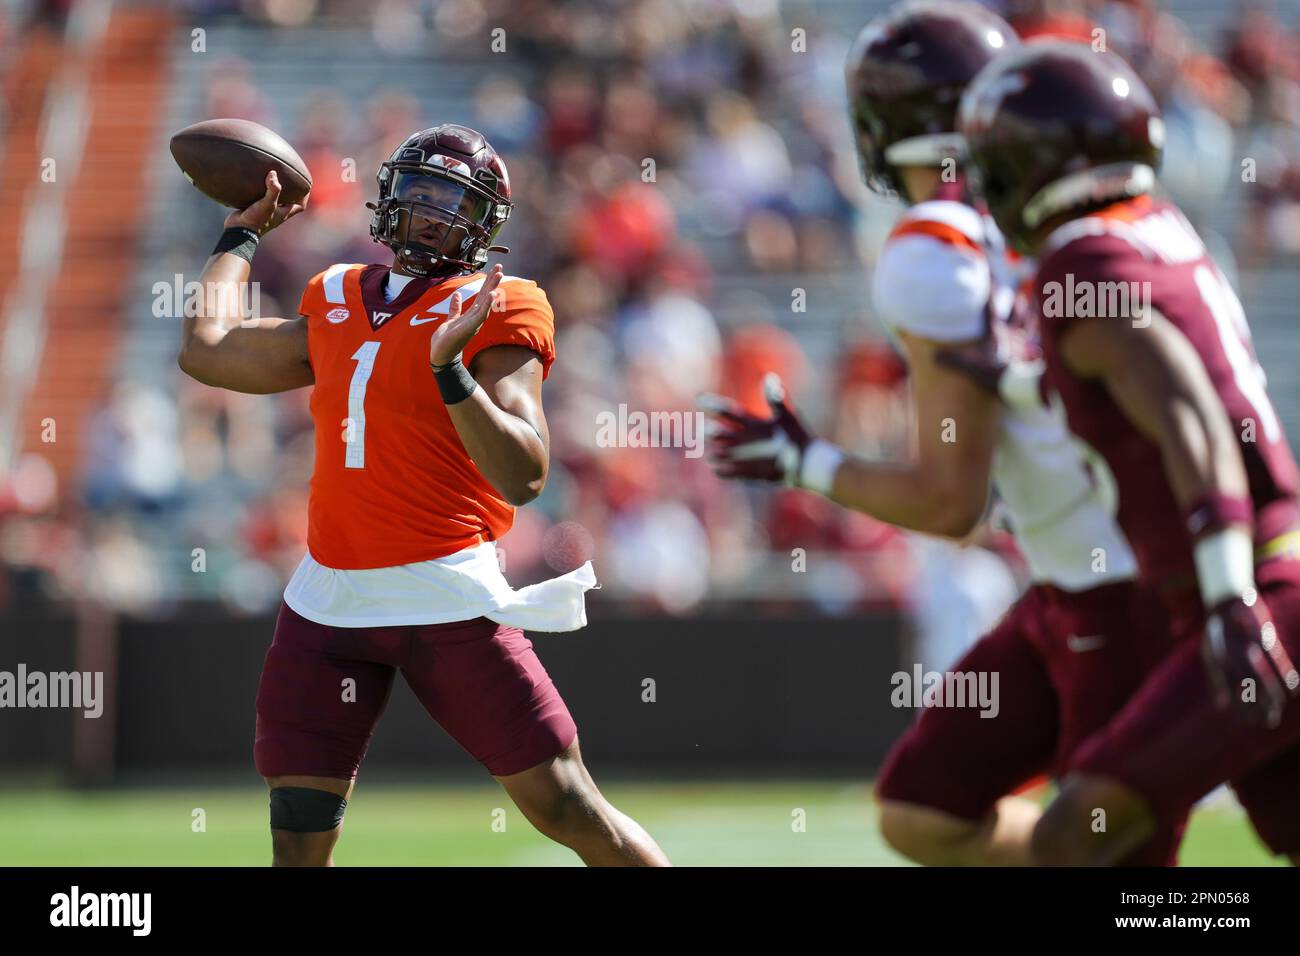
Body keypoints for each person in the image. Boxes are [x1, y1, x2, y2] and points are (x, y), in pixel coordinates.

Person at [702, 1, 1178, 865]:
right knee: (923, 808)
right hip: (1084, 567)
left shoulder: (931, 250)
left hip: (1122, 587)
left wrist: (808, 463)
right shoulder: (1051, 215)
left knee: (1119, 871)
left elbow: (951, 501)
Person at [177, 123, 668, 866]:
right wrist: (239, 238)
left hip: (443, 595)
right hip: (327, 604)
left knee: (568, 806)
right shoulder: (337, 292)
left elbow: (524, 473)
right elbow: (207, 351)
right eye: (419, 190)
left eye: (450, 198)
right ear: (388, 198)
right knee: (297, 840)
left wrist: (452, 373)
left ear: (484, 222)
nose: (431, 210)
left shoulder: (501, 303)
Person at [955, 40, 1300, 864]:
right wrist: (1019, 380)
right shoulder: (1153, 231)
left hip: (1254, 588)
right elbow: (1133, 383)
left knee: (1076, 838)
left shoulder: (1081, 260)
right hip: (1270, 575)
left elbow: (1187, 412)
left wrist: (1226, 598)